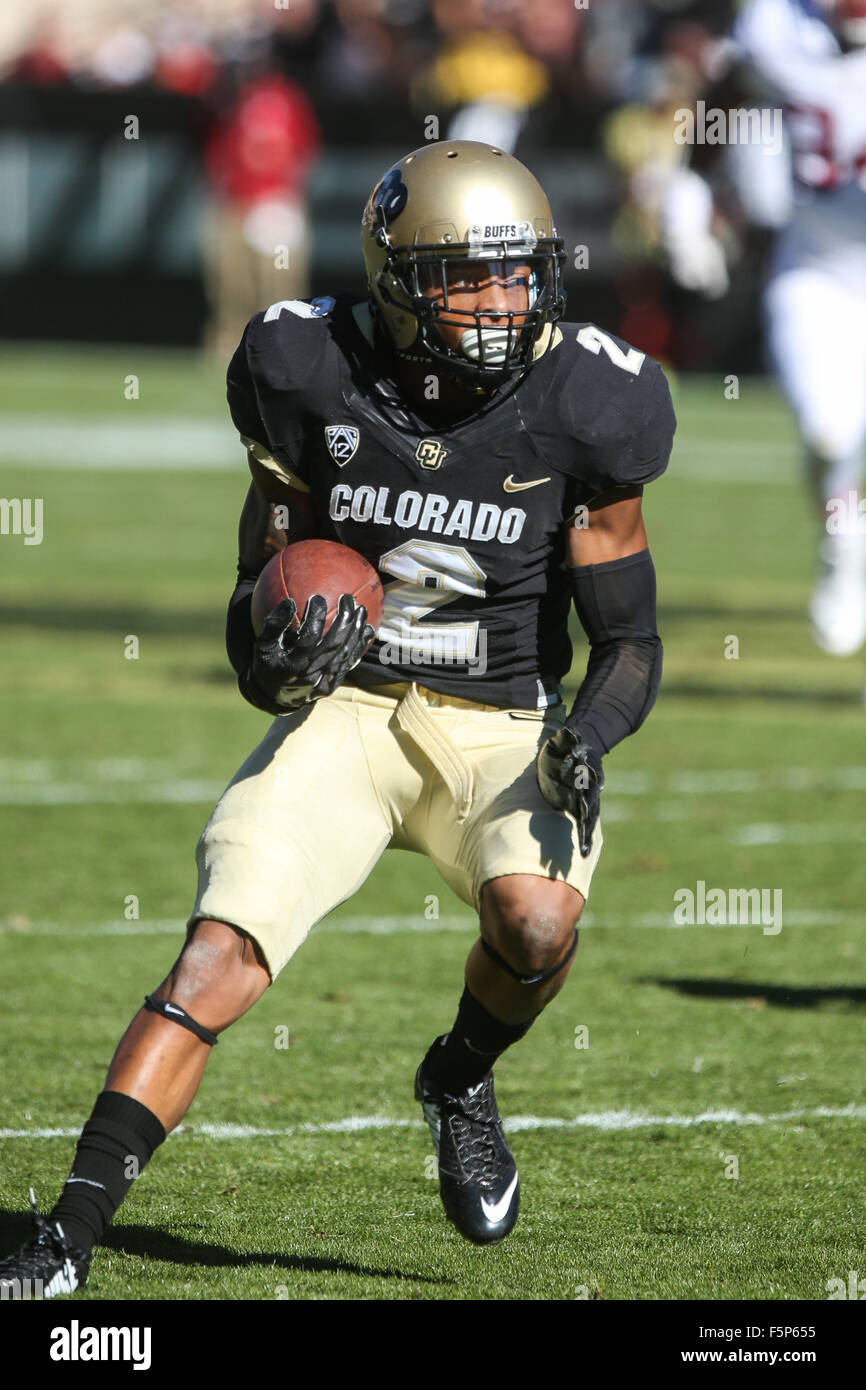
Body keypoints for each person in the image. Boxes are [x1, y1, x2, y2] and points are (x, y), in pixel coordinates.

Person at [0, 140, 674, 1297]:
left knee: (536, 926)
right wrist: (279, 658)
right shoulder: (302, 365)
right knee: (215, 957)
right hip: (352, 713)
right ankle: (64, 1236)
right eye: (467, 277)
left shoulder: (592, 399)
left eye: (517, 273)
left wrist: (588, 734)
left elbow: (630, 642)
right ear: (399, 281)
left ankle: (459, 1074)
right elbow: (251, 615)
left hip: (505, 720)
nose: (499, 302)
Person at [660, 0, 866, 656]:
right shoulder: (779, 30)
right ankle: (845, 540)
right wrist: (689, 199)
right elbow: (724, 103)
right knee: (830, 433)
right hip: (817, 272)